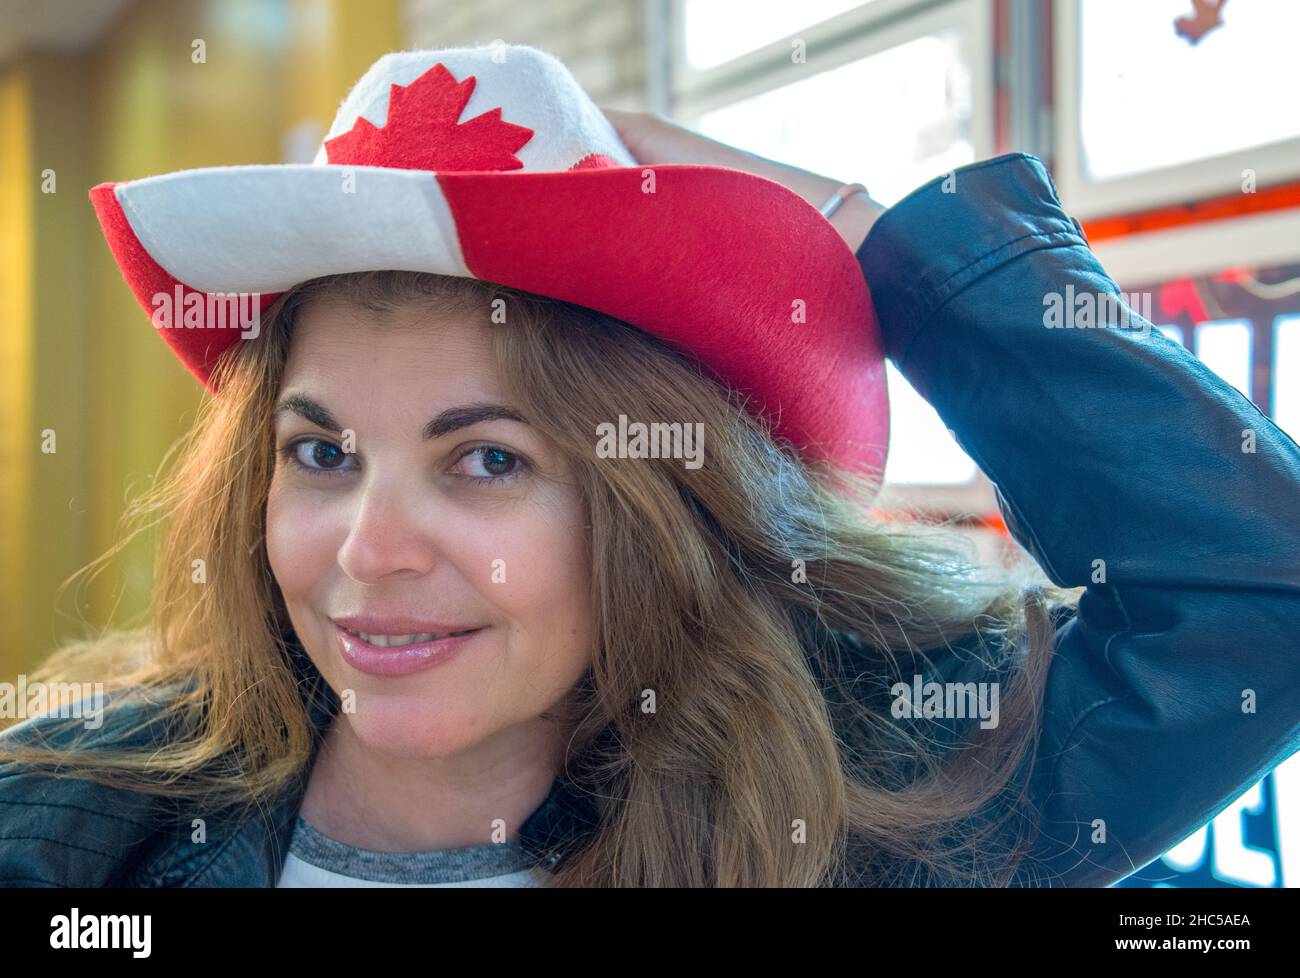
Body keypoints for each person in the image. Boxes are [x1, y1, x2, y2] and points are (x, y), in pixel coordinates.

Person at [1, 45, 1296, 888]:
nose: (367, 550)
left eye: (487, 459)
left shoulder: (884, 810)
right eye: (323, 450)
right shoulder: (62, 824)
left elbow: (1255, 590)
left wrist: (863, 232)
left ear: (658, 506)